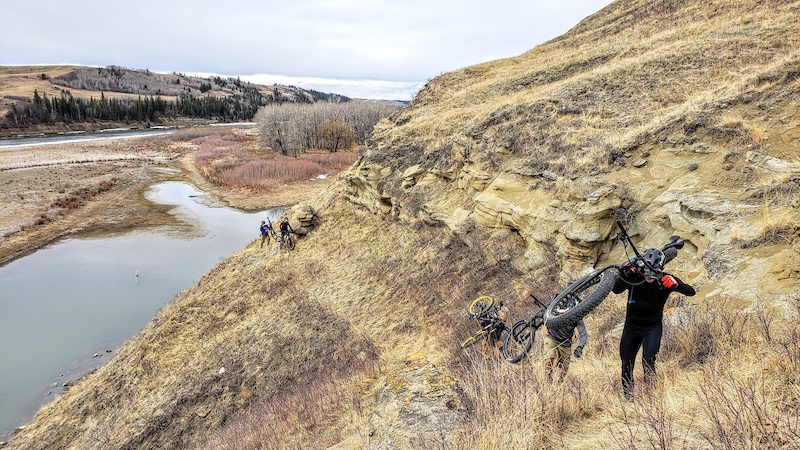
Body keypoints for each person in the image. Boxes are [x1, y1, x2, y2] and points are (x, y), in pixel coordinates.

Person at [613, 247, 696, 399]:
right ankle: (628, 397)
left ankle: (650, 396)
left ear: (660, 269)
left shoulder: (665, 280)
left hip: (652, 328)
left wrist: (677, 285)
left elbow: (691, 292)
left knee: (648, 361)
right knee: (627, 362)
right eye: (646, 272)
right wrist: (626, 272)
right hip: (631, 327)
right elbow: (616, 289)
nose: (649, 277)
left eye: (653, 273)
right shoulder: (635, 277)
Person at [543, 318, 588, 382]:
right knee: (549, 358)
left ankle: (560, 383)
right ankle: (548, 379)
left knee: (564, 368)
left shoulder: (576, 314)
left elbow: (583, 334)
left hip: (566, 343)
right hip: (551, 337)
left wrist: (580, 347)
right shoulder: (554, 309)